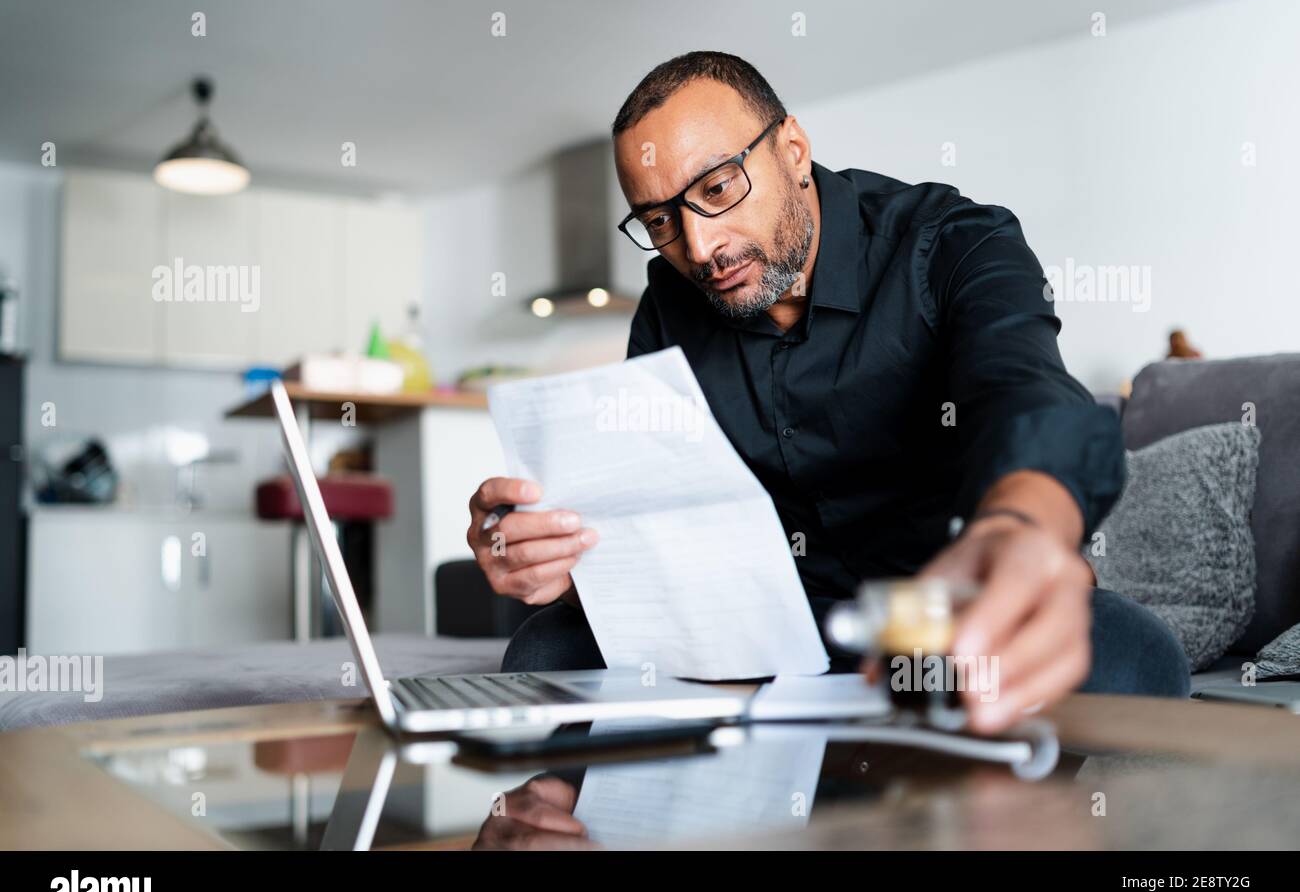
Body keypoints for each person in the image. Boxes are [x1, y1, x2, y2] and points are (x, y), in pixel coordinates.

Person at [466, 51, 1190, 735]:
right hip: (753, 627)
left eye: (717, 188)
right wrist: (553, 565)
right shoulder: (669, 302)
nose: (700, 245)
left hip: (928, 617)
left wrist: (1020, 530)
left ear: (793, 149)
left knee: (1128, 656)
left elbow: (1029, 394)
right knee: (546, 652)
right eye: (661, 220)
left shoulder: (954, 242)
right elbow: (654, 516)